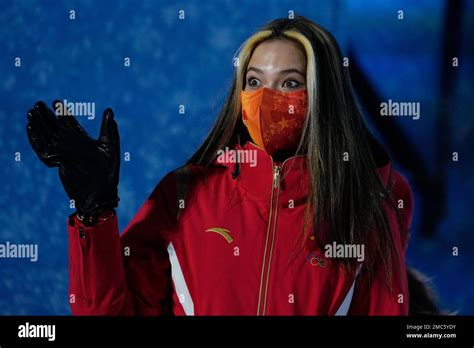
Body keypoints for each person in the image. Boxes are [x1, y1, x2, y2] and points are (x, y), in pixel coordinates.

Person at [26, 16, 416, 315]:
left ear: (323, 97)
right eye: (253, 80)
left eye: (290, 83)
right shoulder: (184, 194)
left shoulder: (365, 207)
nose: (266, 98)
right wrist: (94, 214)